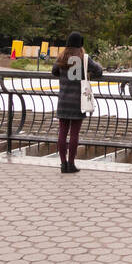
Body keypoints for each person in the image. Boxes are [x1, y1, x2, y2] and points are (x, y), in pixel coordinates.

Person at [51, 31, 103, 174]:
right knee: (74, 134)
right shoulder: (84, 58)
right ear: (81, 44)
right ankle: (71, 164)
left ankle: (63, 164)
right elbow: (99, 71)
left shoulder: (61, 57)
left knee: (62, 133)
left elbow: (54, 71)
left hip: (63, 101)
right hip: (78, 102)